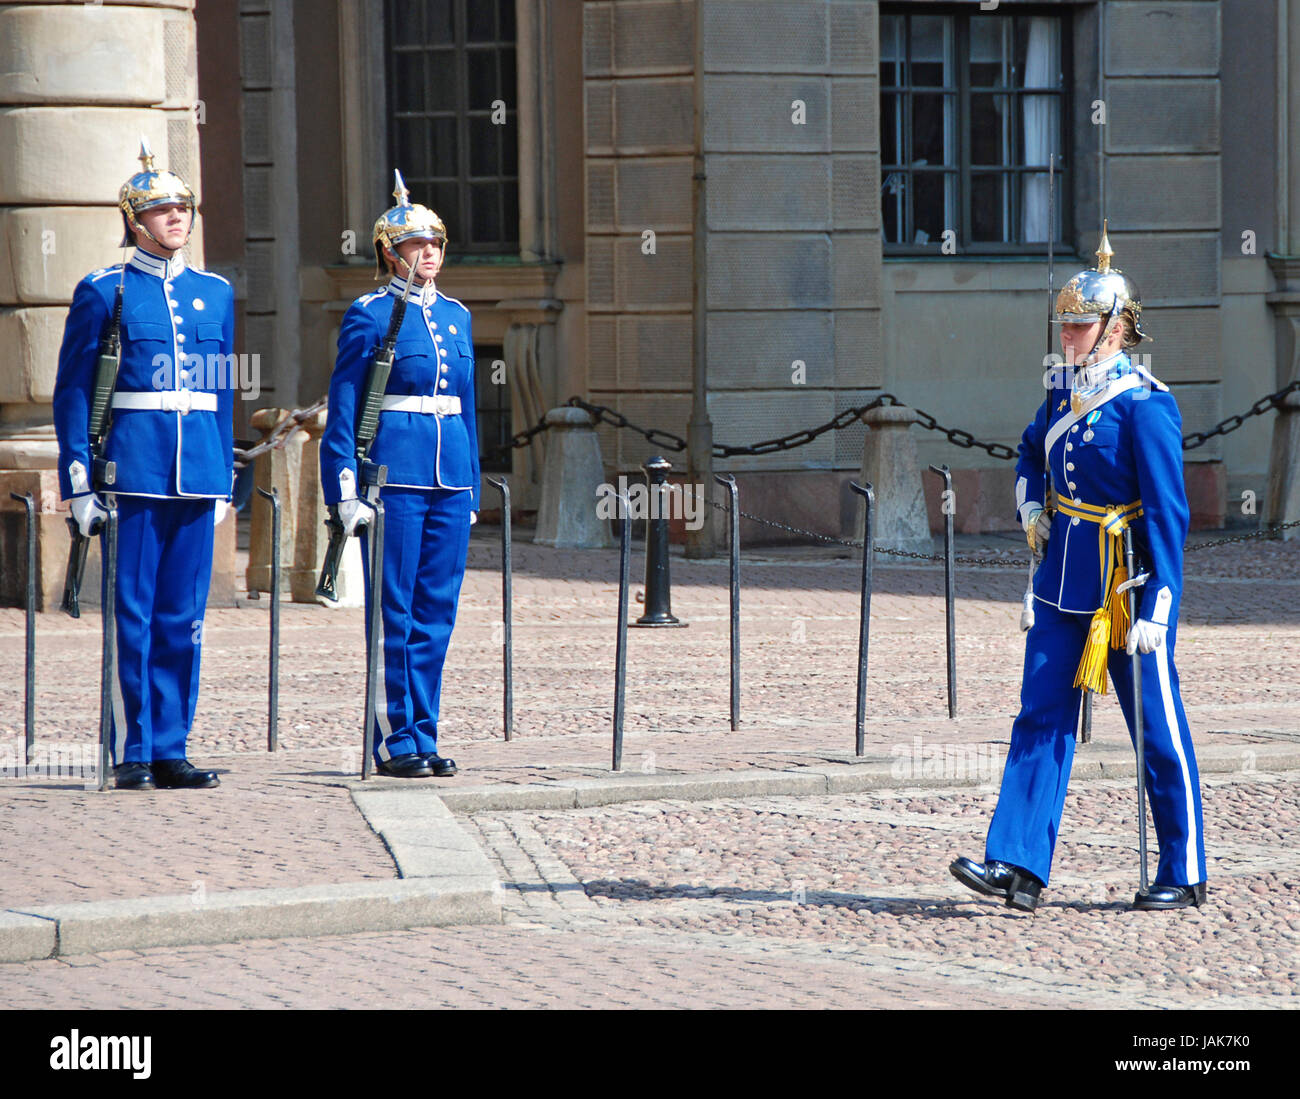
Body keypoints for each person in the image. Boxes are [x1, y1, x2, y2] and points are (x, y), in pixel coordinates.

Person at [950, 225, 1206, 911]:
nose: (1067, 338)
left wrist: (1162, 604)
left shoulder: (1147, 405)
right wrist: (1031, 506)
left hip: (1127, 591)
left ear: (1117, 330)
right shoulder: (1062, 395)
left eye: (1081, 326)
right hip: (1063, 581)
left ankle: (1183, 868)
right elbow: (1032, 452)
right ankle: (1018, 863)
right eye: (1064, 326)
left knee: (1156, 726)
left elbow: (1167, 514)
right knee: (1039, 716)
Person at [52, 139, 235, 791]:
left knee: (183, 618)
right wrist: (78, 480)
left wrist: (225, 478)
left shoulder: (215, 294)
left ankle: (170, 745)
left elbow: (219, 391)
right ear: (134, 221)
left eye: (183, 207)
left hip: (198, 471)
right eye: (161, 210)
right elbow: (74, 391)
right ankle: (131, 747)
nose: (176, 218)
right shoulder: (105, 291)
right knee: (133, 611)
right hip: (133, 471)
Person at [320, 171, 479, 779]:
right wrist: (345, 488)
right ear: (391, 253)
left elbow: (466, 406)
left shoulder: (458, 317)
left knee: (436, 611)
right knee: (397, 611)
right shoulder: (370, 314)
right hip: (393, 477)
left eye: (435, 244)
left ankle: (425, 731)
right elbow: (346, 405)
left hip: (447, 479)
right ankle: (395, 738)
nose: (430, 254)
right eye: (417, 246)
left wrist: (469, 483)